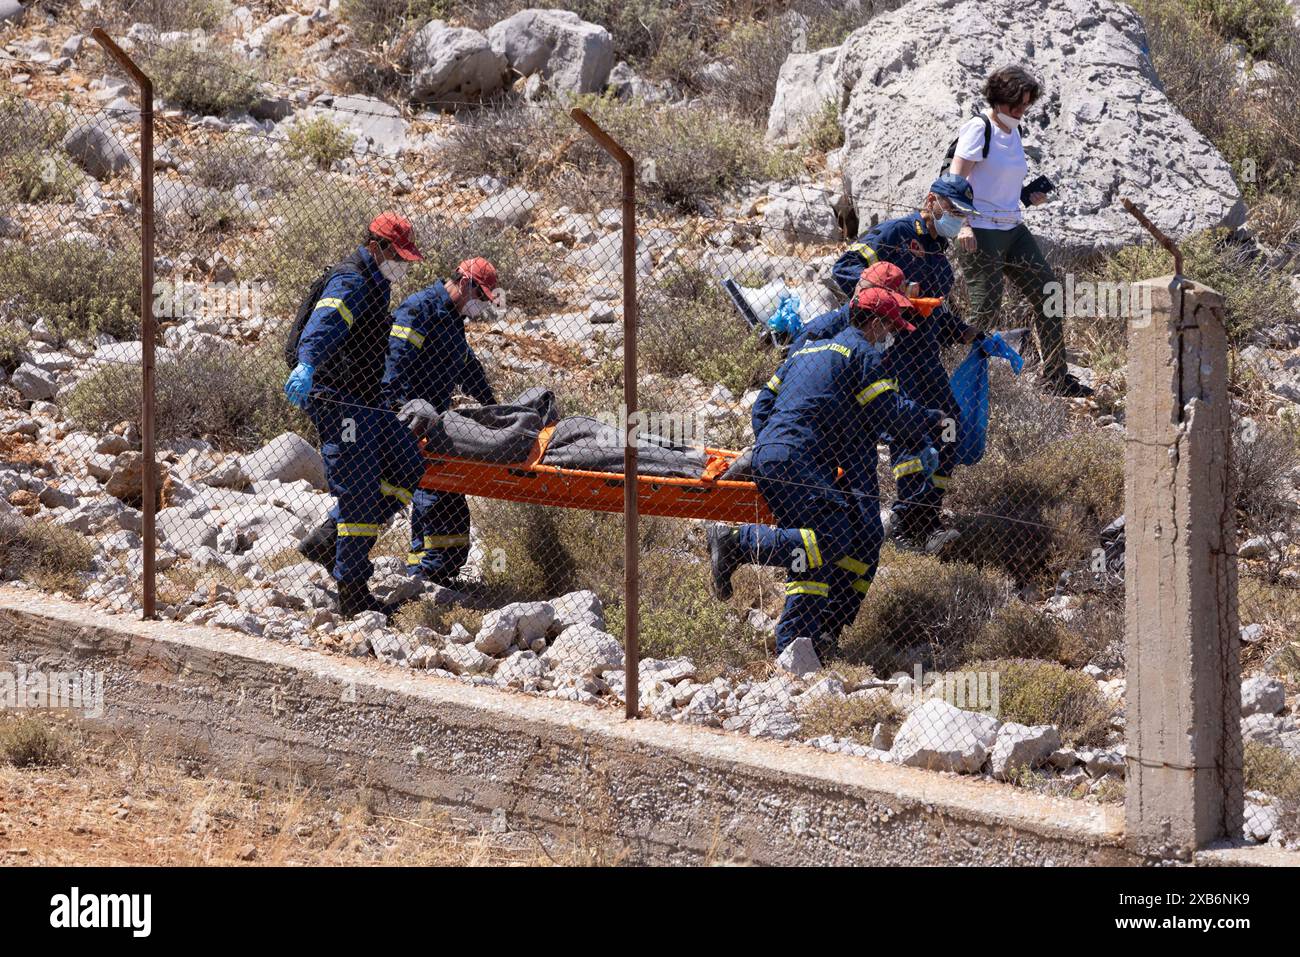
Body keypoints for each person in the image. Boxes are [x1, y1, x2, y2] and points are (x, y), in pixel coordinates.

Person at [708, 287, 944, 661]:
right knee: (831, 535)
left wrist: (780, 438)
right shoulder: (862, 354)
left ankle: (797, 646)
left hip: (775, 455)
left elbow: (763, 406)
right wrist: (932, 421)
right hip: (800, 459)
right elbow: (890, 412)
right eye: (890, 328)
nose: (892, 337)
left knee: (815, 546)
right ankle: (739, 543)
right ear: (876, 323)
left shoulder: (805, 351)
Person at [284, 212, 426, 618]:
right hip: (339, 401)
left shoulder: (374, 283)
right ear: (377, 247)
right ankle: (352, 588)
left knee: (406, 463)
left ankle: (329, 540)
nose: (401, 264)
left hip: (366, 400)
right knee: (359, 489)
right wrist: (307, 364)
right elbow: (324, 322)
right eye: (397, 255)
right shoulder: (352, 281)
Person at [830, 173, 983, 549]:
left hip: (926, 357)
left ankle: (926, 515)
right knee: (910, 430)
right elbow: (845, 269)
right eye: (952, 209)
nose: (957, 219)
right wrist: (889, 291)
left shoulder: (941, 261)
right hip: (893, 353)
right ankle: (905, 523)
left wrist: (963, 331)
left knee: (949, 426)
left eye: (964, 215)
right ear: (931, 200)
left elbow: (931, 313)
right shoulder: (895, 235)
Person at [948, 64, 1092, 398]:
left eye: (1026, 104)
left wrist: (1026, 196)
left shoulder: (1014, 132)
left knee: (1049, 294)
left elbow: (999, 184)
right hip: (981, 232)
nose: (1021, 111)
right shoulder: (978, 128)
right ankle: (964, 384)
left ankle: (1055, 377)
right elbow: (956, 182)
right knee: (985, 310)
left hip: (1013, 228)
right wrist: (964, 225)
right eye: (1017, 105)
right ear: (999, 100)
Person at [382, 258, 500, 585]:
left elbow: (469, 370)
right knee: (432, 494)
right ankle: (423, 575)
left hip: (436, 423)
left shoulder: (451, 321)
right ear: (465, 282)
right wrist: (405, 415)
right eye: (480, 297)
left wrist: (494, 409)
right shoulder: (421, 309)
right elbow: (396, 367)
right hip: (412, 420)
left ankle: (440, 570)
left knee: (448, 496)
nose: (480, 306)